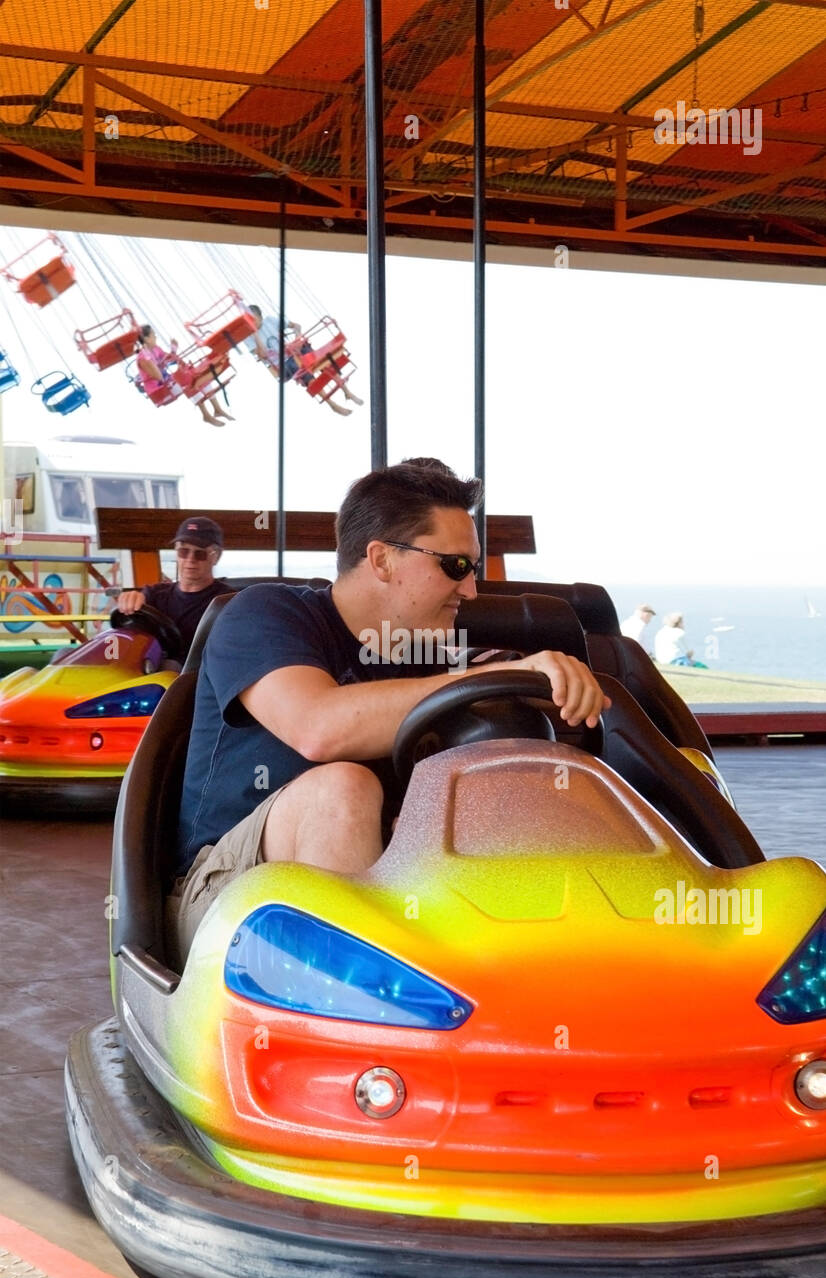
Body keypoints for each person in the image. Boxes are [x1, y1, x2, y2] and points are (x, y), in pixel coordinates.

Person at [168, 458, 611, 960]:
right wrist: (480, 678)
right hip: (224, 898)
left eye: (473, 569)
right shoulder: (265, 613)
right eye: (456, 566)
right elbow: (320, 728)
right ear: (382, 560)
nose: (470, 589)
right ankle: (352, 1025)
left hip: (381, 885)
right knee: (343, 788)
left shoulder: (430, 658)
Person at [116, 516, 233, 657]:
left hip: (198, 674)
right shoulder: (153, 596)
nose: (190, 559)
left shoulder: (228, 602)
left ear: (216, 557)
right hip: (151, 672)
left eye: (200, 553)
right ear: (176, 553)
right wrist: (128, 602)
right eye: (183, 551)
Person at [243, 304, 363, 417]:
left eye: (254, 319)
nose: (253, 322)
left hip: (292, 353)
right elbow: (262, 355)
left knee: (321, 360)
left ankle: (347, 391)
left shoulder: (270, 321)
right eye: (250, 320)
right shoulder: (248, 336)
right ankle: (333, 404)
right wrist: (255, 334)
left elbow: (296, 326)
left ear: (260, 317)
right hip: (281, 365)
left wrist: (297, 338)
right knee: (304, 372)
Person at [135, 325, 234, 428]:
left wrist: (173, 350)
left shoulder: (156, 349)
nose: (156, 337)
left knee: (197, 376)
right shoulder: (143, 357)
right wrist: (156, 363)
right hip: (159, 390)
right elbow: (158, 376)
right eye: (153, 335)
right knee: (188, 381)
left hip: (167, 382)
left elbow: (170, 359)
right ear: (146, 339)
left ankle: (217, 409)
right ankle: (206, 416)